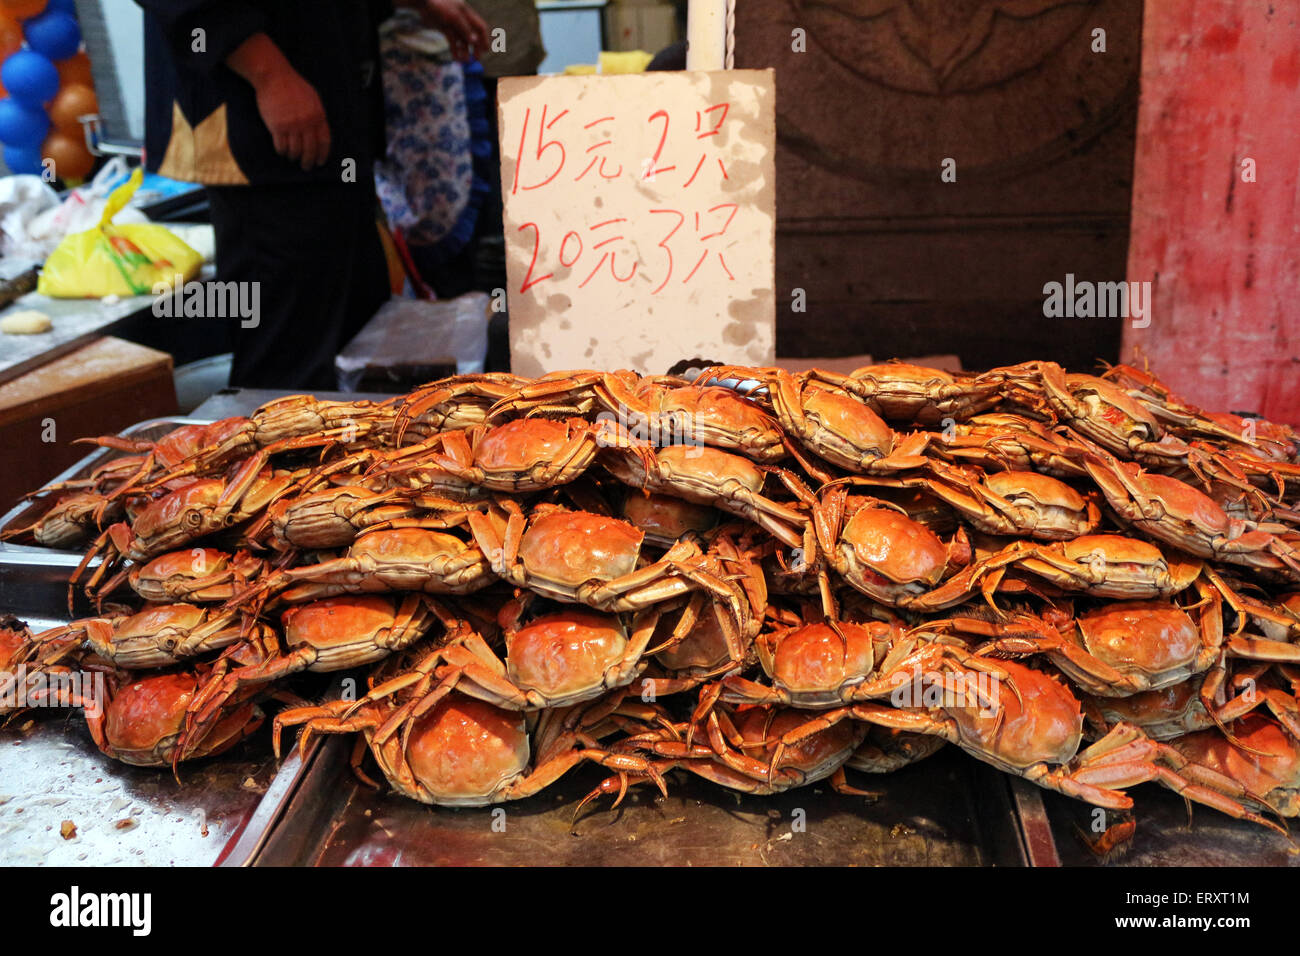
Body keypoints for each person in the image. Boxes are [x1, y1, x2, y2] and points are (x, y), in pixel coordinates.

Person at [135, 0, 490, 390]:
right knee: (289, 366)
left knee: (362, 354)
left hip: (337, 106)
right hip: (258, 130)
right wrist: (269, 73)